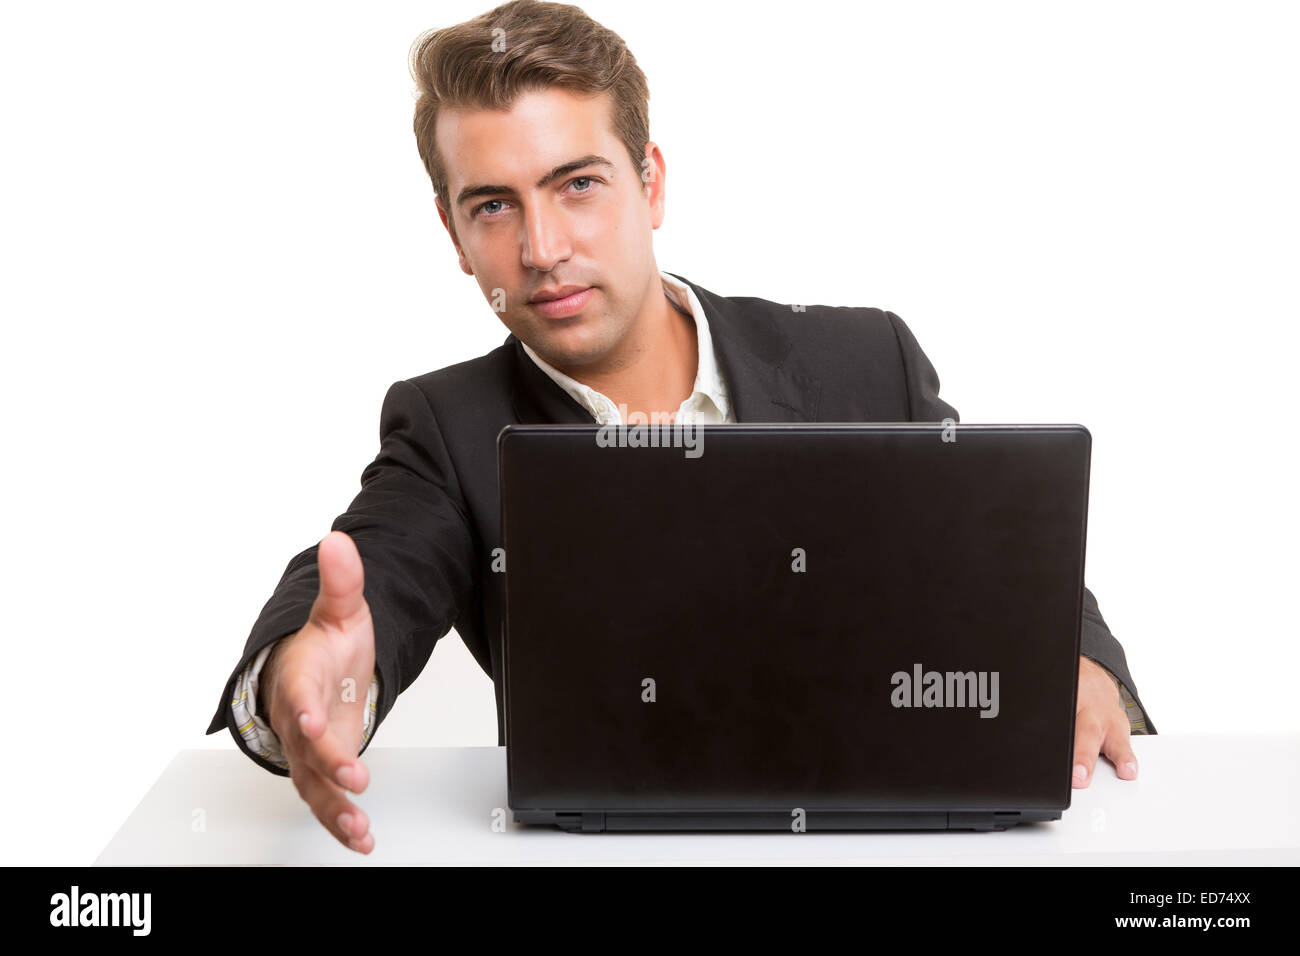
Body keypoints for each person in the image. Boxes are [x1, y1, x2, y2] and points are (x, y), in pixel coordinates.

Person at [205, 0, 1154, 855]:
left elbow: (1002, 564)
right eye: (493, 205)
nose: (542, 249)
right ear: (454, 235)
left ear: (650, 183)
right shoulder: (449, 427)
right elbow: (372, 570)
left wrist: (1082, 661)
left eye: (577, 184)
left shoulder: (866, 363)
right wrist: (309, 672)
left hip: (890, 842)